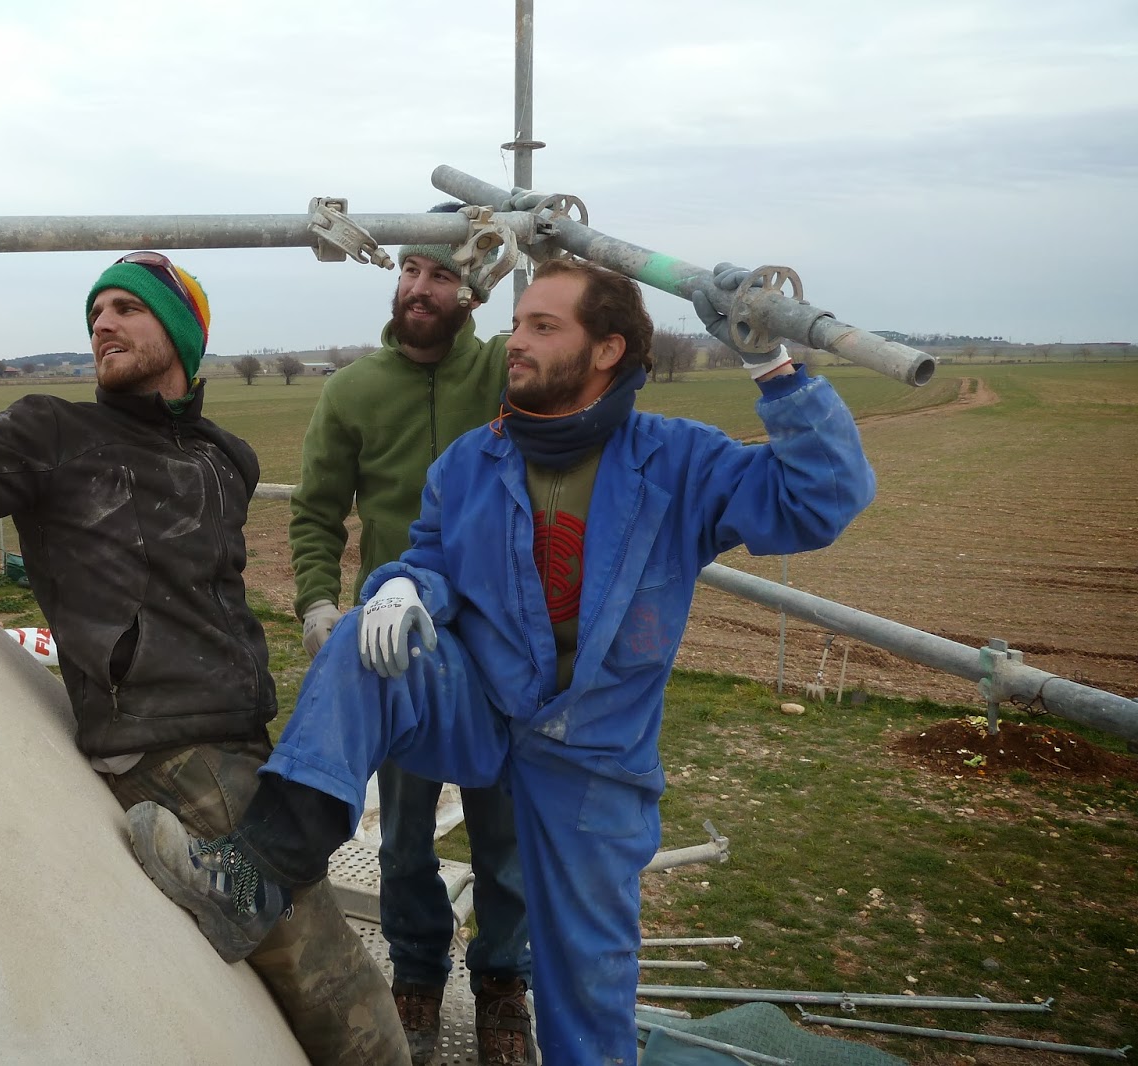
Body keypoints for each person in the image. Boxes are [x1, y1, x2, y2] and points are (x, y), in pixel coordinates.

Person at [127, 258, 877, 1065]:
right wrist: (403, 586)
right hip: (479, 706)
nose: (514, 341)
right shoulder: (469, 465)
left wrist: (772, 364)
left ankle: (526, 1010)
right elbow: (431, 558)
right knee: (360, 645)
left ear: (606, 350)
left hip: (593, 757)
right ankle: (255, 878)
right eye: (517, 322)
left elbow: (820, 499)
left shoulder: (679, 461)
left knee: (588, 990)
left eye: (542, 327)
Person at [0, 205, 408, 1066]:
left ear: (181, 329)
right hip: (174, 755)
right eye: (96, 312)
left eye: (128, 307)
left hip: (250, 748)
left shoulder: (226, 458)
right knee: (354, 1012)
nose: (104, 320)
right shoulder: (53, 436)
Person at [289, 204, 533, 1064]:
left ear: (474, 288)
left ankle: (504, 982)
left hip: (503, 643)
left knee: (506, 835)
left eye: (441, 274)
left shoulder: (502, 370)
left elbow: (563, 359)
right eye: (409, 271)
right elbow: (317, 512)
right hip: (403, 648)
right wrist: (320, 603)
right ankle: (422, 977)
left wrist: (527, 251)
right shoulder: (353, 390)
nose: (420, 287)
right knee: (402, 841)